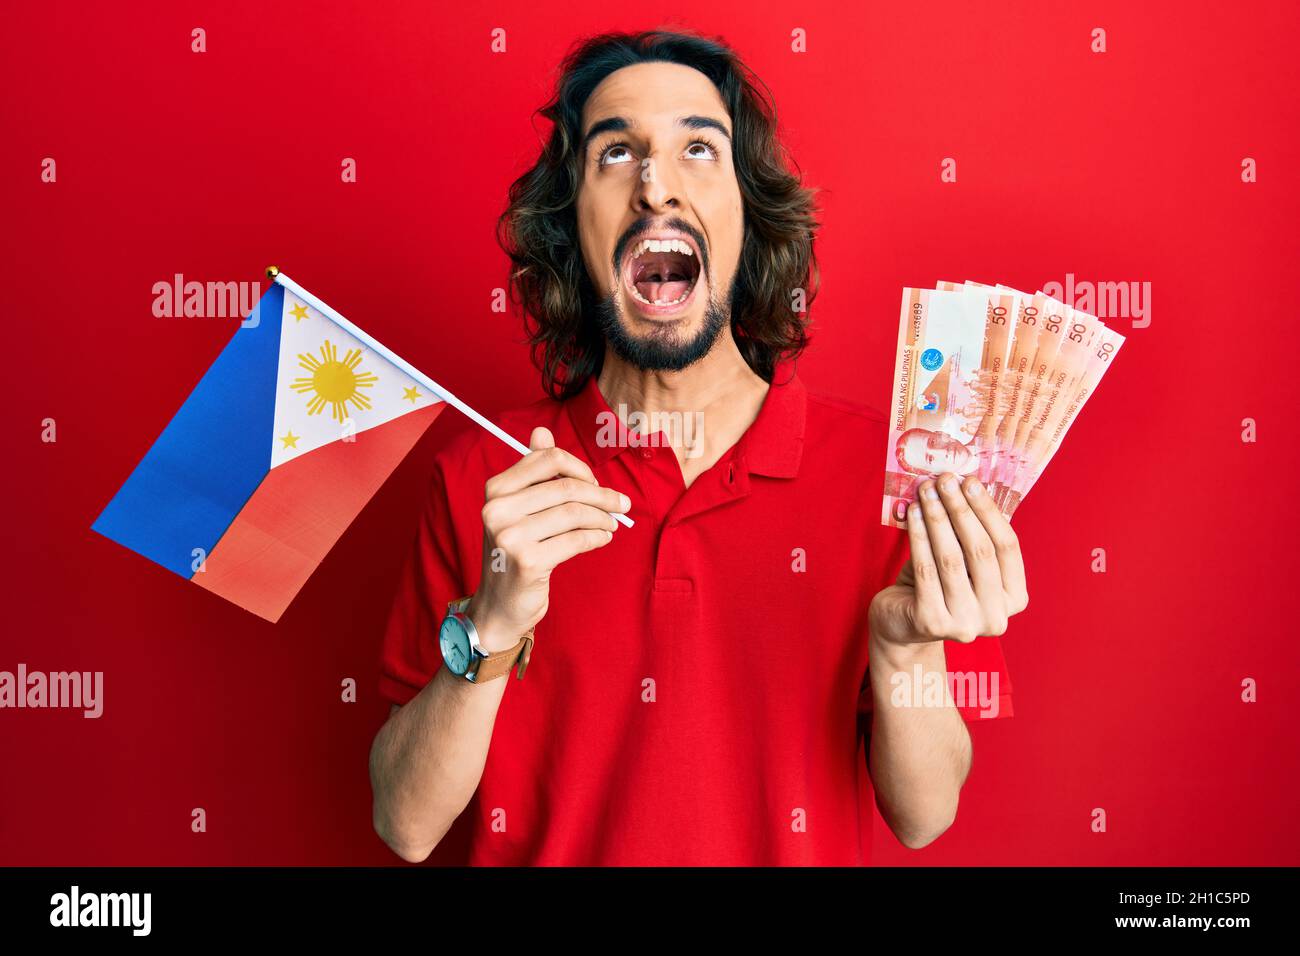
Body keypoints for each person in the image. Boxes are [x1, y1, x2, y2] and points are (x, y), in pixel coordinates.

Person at [368, 29, 1028, 866]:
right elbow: (405, 822)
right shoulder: (483, 478)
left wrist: (906, 649)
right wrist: (492, 627)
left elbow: (926, 815)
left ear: (749, 221)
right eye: (615, 153)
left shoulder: (892, 475)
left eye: (697, 148)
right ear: (571, 226)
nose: (656, 185)